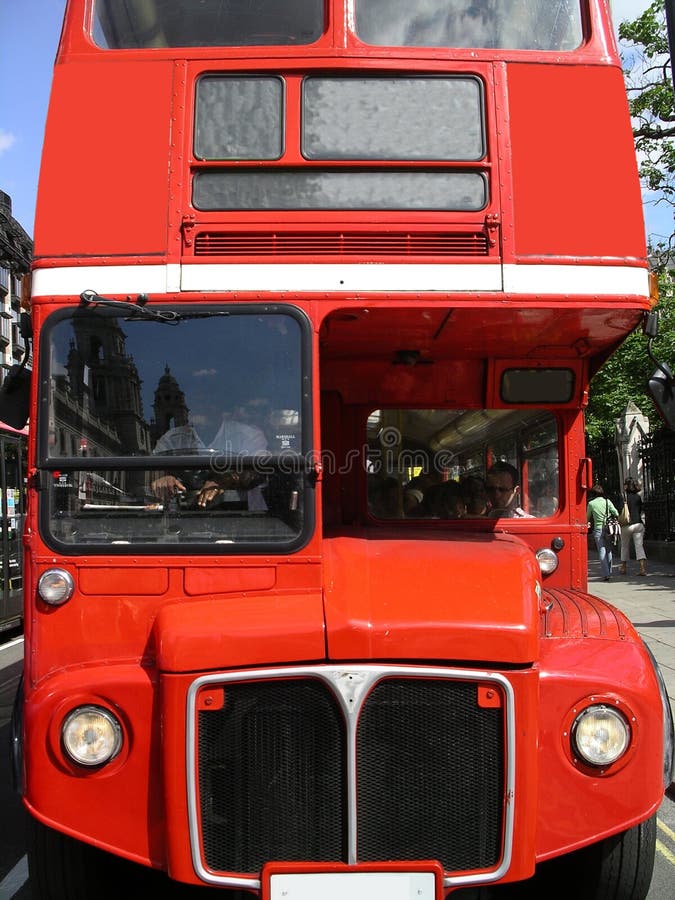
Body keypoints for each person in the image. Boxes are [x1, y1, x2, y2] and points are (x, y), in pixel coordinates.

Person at [586, 483, 619, 581]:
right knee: (609, 550)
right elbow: (616, 513)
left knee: (601, 550)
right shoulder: (607, 502)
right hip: (609, 528)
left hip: (598, 529)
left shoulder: (591, 504)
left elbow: (587, 517)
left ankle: (606, 574)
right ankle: (609, 571)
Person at [619, 478, 647, 576]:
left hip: (627, 525)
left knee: (624, 546)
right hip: (638, 524)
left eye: (624, 484)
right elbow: (641, 510)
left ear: (626, 485)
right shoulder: (638, 497)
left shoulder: (623, 497)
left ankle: (623, 567)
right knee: (639, 546)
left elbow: (620, 511)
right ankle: (642, 568)